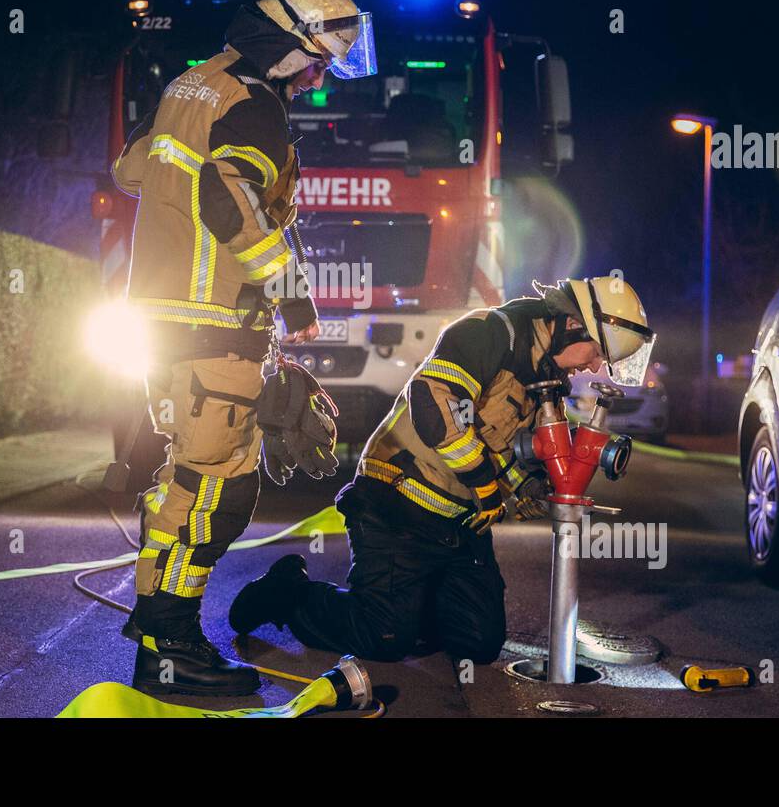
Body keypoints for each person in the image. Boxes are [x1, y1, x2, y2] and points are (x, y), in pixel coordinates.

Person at [111, 0, 376, 696]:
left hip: (163, 319)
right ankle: (171, 649)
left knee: (185, 484)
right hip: (214, 321)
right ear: (294, 44)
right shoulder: (256, 106)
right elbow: (228, 203)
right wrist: (294, 302)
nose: (321, 78)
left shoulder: (191, 84)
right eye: (320, 61)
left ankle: (162, 635)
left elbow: (133, 168)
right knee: (217, 491)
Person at [228, 277, 654, 666]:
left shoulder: (547, 380)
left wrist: (530, 489)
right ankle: (288, 594)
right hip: (396, 504)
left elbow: (499, 445)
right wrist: (487, 488)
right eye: (596, 352)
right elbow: (435, 409)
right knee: (385, 637)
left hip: (458, 524)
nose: (594, 367)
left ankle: (411, 607)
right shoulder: (489, 333)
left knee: (477, 644)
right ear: (573, 325)